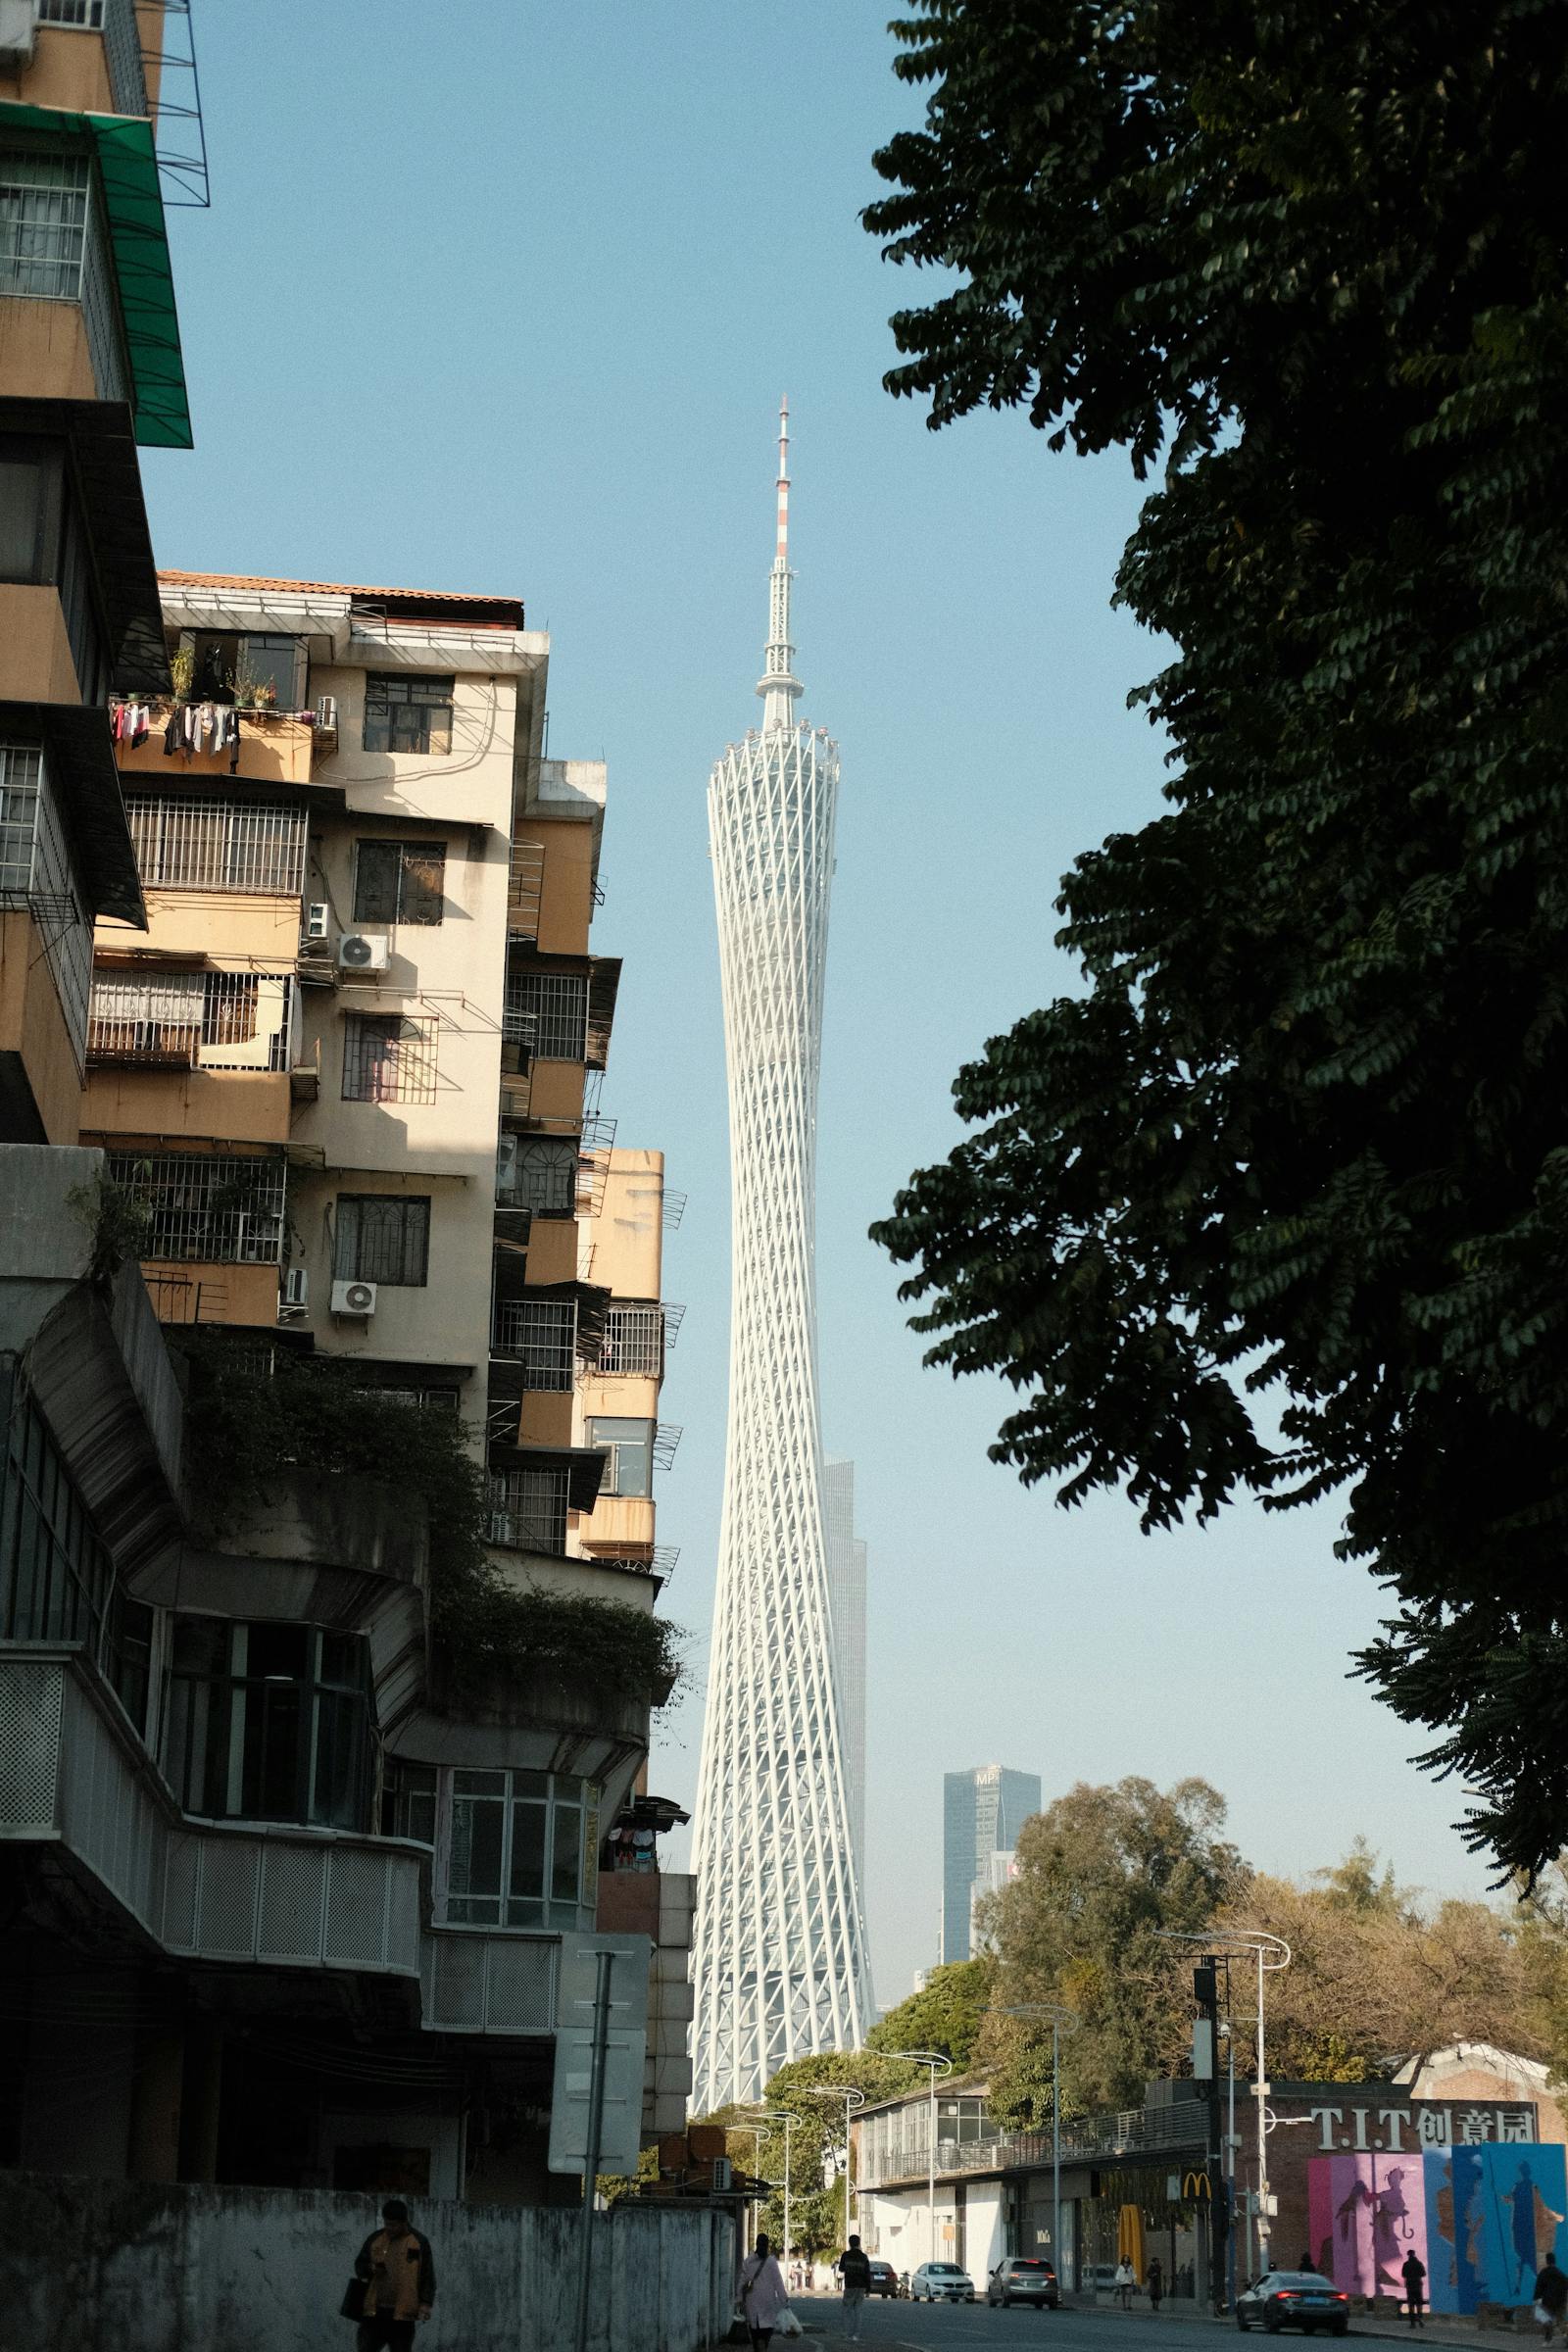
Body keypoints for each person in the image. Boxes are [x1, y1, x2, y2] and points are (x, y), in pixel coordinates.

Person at [353, 2199, 436, 2352]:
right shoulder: (376, 2239)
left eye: (394, 2225)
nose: (389, 2228)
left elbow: (427, 2275)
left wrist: (425, 2304)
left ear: (404, 2222)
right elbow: (359, 2266)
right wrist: (371, 2269)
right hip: (374, 2312)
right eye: (387, 2223)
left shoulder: (418, 2242)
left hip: (402, 2315)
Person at [740, 2231, 790, 2351]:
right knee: (764, 2338)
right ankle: (762, 2346)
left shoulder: (748, 2262)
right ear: (767, 2246)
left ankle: (759, 2346)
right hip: (768, 2306)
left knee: (755, 2337)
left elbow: (741, 2283)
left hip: (752, 2305)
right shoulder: (771, 2262)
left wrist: (739, 2300)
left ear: (756, 2244)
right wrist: (785, 2301)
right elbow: (778, 2283)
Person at [836, 2234, 872, 2341]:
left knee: (847, 2309)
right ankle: (856, 2335)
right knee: (858, 2310)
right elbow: (867, 2273)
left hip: (850, 2285)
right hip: (861, 2286)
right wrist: (868, 2288)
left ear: (849, 2243)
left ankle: (846, 2334)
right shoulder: (864, 2257)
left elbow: (841, 2268)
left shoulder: (846, 2255)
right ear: (859, 2243)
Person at [1536, 2252, 1568, 2345]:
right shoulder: (1560, 2273)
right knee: (1561, 2321)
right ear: (1554, 2261)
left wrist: (1537, 2298)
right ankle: (1566, 2335)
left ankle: (1548, 2341)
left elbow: (1539, 2287)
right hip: (1560, 2302)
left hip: (1547, 2302)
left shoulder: (1543, 2273)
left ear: (1547, 2261)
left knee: (1547, 2321)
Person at [1401, 2249, 1427, 2330]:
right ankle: (1420, 2318)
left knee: (1411, 2305)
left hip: (1410, 2286)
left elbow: (1403, 2274)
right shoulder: (1419, 2263)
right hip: (1418, 2285)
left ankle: (1412, 2323)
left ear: (1408, 2255)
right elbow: (1423, 2273)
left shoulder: (1406, 2264)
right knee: (1419, 2303)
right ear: (1414, 2254)